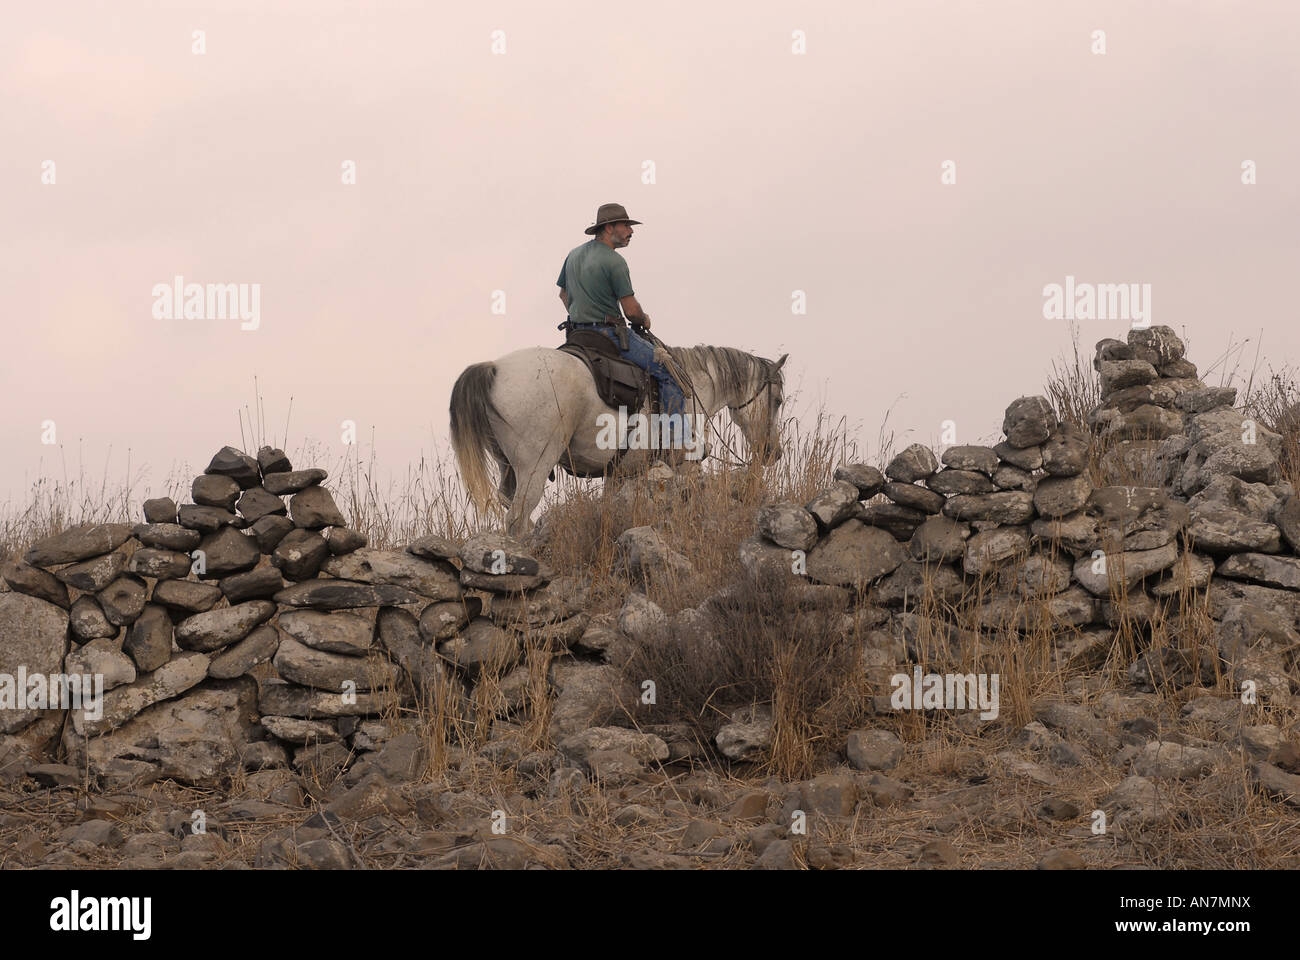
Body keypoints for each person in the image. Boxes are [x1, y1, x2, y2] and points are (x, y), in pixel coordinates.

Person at [556, 203, 688, 441]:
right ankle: (676, 445)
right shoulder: (615, 262)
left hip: (576, 336)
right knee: (671, 373)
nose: (631, 231)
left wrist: (582, 315)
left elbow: (564, 295)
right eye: (626, 225)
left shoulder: (573, 255)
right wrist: (644, 319)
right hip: (609, 335)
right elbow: (631, 311)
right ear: (608, 228)